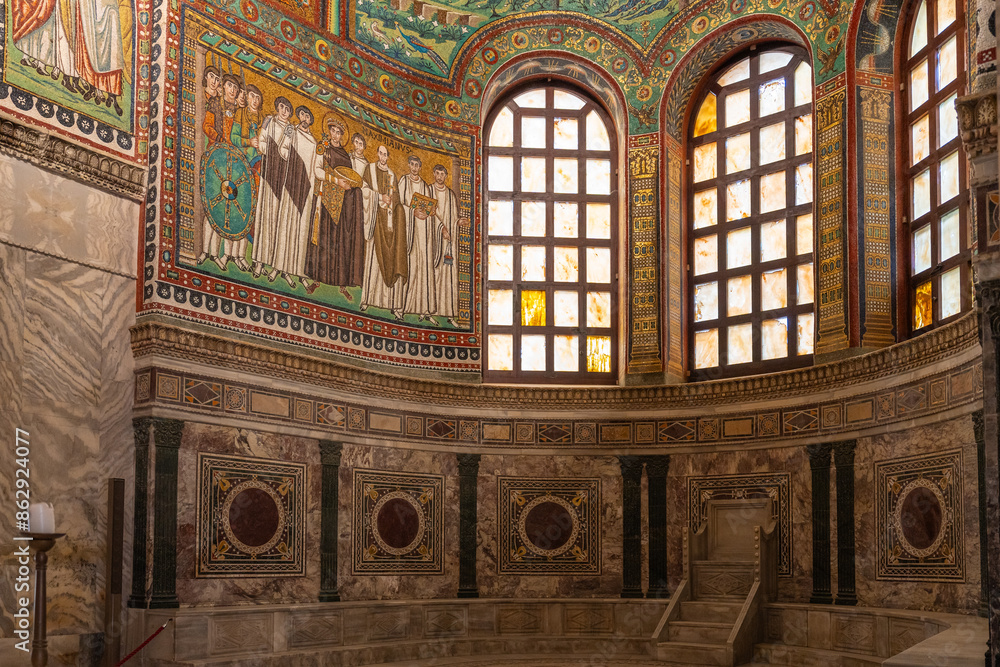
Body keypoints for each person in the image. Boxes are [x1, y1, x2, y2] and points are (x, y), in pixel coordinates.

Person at [303, 116, 364, 297]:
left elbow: (351, 176)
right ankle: (316, 279)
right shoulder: (323, 147)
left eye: (339, 132)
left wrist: (352, 186)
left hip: (343, 202)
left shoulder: (345, 155)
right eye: (333, 131)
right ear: (329, 131)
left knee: (340, 242)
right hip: (326, 198)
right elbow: (317, 170)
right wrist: (336, 181)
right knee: (323, 238)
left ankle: (341, 284)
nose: (335, 135)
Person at [200, 73, 241, 271]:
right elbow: (206, 126)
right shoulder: (215, 104)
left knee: (227, 211)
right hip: (216, 159)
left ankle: (218, 254)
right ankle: (205, 251)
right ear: (223, 87)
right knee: (211, 206)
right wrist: (219, 139)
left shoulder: (239, 111)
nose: (232, 90)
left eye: (235, 87)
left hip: (234, 165)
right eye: (229, 85)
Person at [251, 97, 294, 280]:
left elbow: (289, 152)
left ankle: (276, 265)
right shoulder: (269, 120)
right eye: (282, 107)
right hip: (269, 173)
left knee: (278, 220)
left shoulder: (291, 129)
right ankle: (259, 261)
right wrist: (267, 147)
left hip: (282, 178)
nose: (284, 111)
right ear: (277, 107)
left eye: (287, 108)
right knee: (264, 216)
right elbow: (261, 142)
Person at [360, 146, 406, 317]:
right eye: (380, 153)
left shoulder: (393, 175)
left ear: (388, 157)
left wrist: (391, 201)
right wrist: (379, 197)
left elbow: (398, 200)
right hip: (375, 220)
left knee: (391, 260)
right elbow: (363, 190)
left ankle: (392, 305)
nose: (383, 157)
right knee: (373, 261)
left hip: (389, 225)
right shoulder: (369, 169)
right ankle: (367, 300)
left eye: (386, 154)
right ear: (377, 154)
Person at [228, 82, 264, 272]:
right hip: (241, 167)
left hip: (256, 169)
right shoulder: (240, 114)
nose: (255, 100)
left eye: (258, 98)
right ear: (247, 97)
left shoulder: (263, 119)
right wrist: (248, 141)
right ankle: (231, 254)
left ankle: (242, 256)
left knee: (250, 213)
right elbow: (232, 138)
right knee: (238, 211)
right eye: (252, 96)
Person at [397, 155, 436, 321]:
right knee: (409, 266)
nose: (414, 168)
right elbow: (397, 204)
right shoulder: (403, 181)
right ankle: (401, 307)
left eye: (417, 165)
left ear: (420, 167)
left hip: (423, 232)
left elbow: (430, 208)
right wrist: (411, 211)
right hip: (408, 230)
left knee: (422, 268)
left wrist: (431, 213)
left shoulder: (425, 186)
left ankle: (422, 307)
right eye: (412, 164)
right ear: (408, 165)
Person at [429, 164, 466, 327]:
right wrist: (441, 228)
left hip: (448, 243)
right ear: (434, 174)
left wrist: (458, 222)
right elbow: (428, 213)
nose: (440, 176)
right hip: (434, 241)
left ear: (446, 176)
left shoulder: (451, 195)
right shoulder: (429, 190)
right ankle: (431, 311)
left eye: (442, 174)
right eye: (437, 173)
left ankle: (450, 314)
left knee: (449, 277)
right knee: (434, 275)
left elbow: (452, 217)